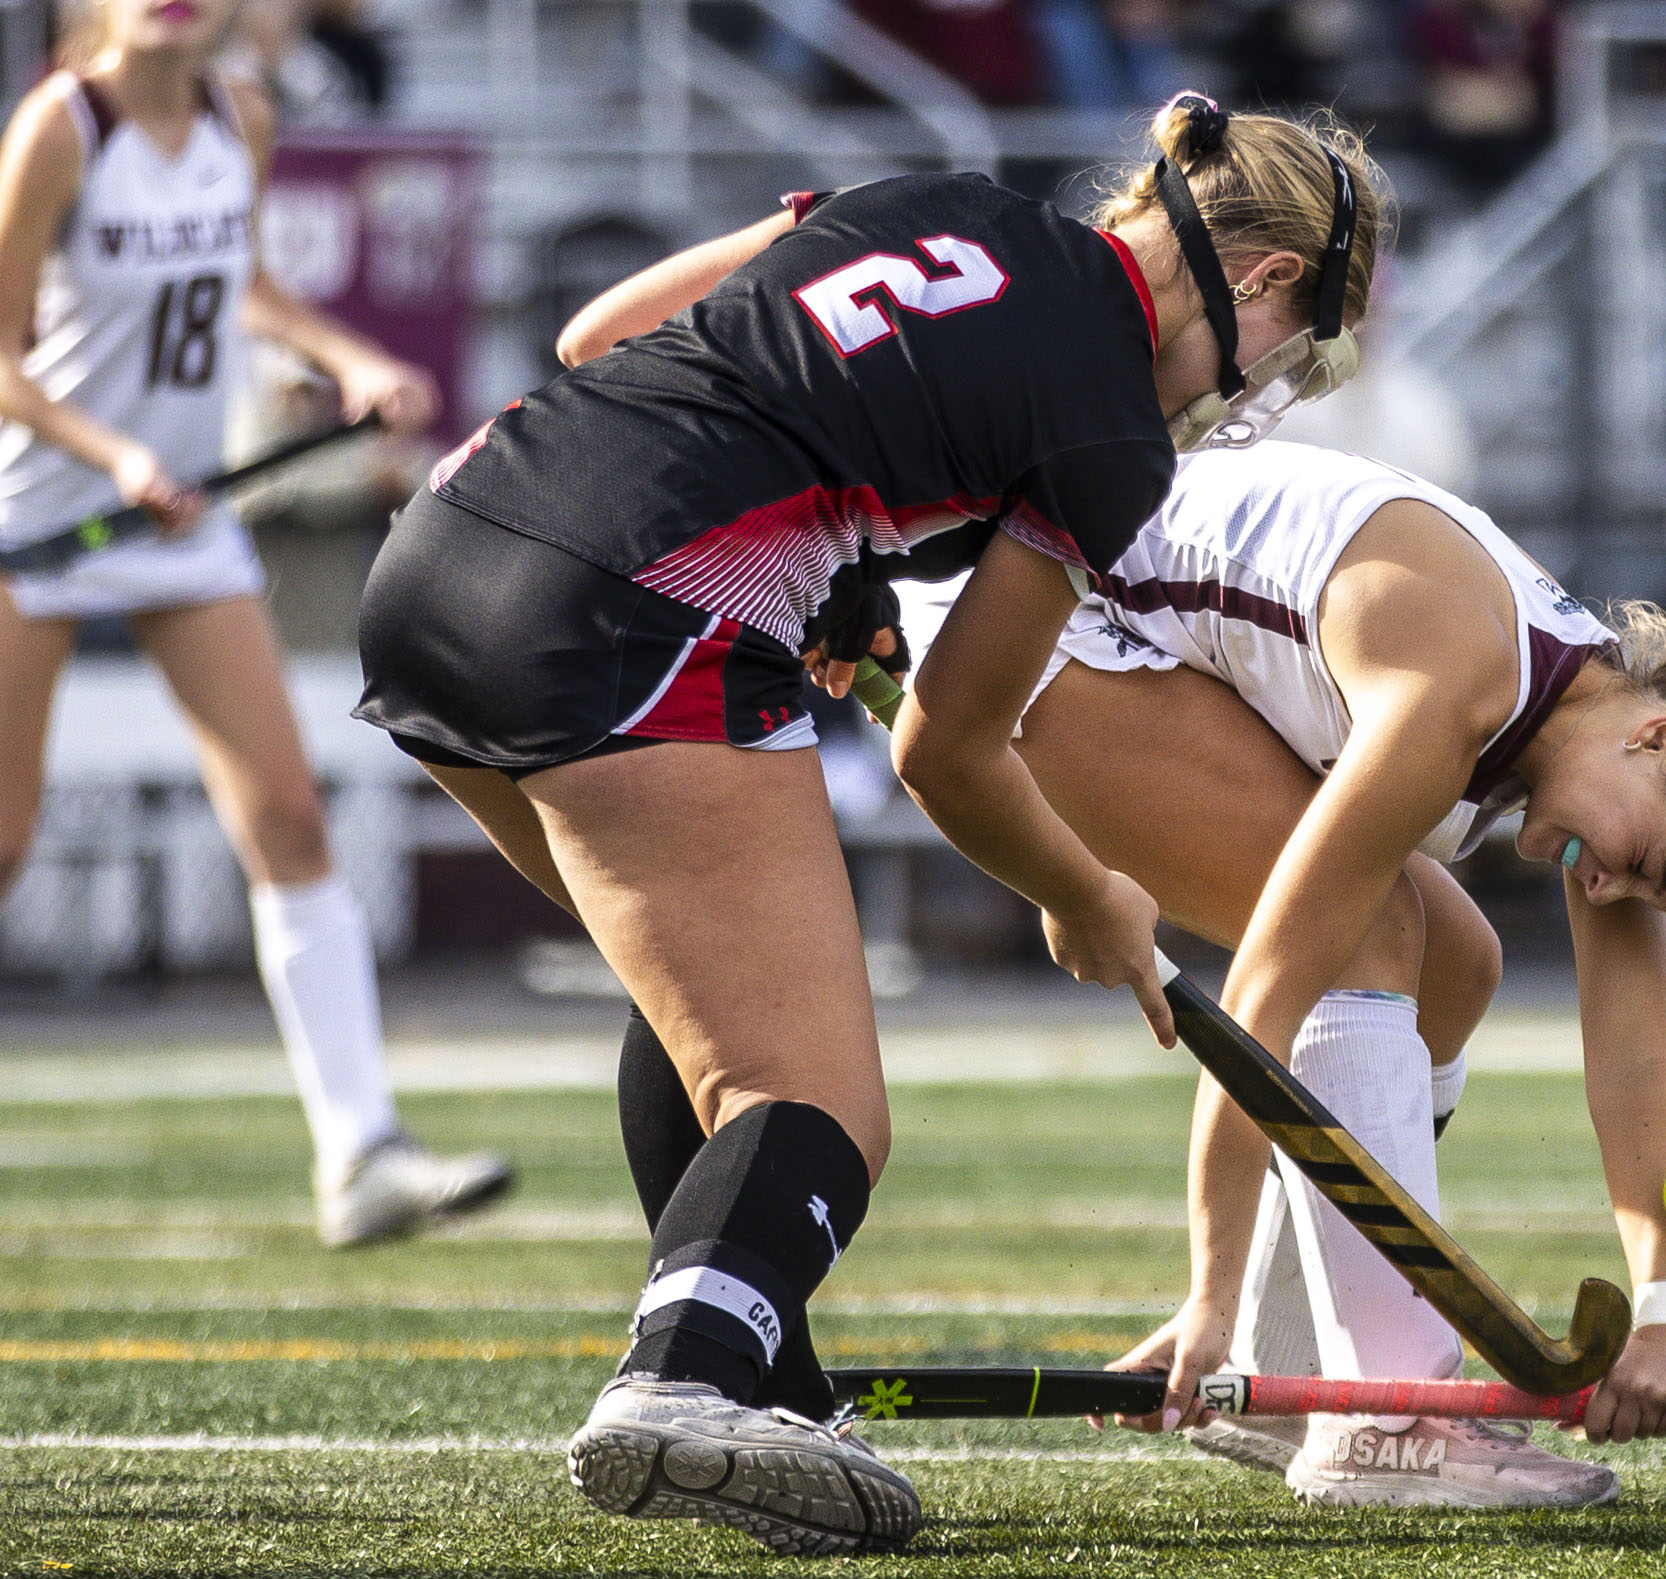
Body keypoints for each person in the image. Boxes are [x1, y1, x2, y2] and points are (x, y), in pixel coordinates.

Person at [353, 94, 1389, 1555]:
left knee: (715, 1013)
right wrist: (1092, 893)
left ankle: (765, 1384)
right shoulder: (1108, 423)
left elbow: (602, 338)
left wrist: (837, 557)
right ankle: (685, 1378)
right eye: (1301, 350)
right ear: (1268, 278)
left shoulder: (927, 194)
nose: (1271, 380)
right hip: (634, 600)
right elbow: (953, 749)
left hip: (446, 547)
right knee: (819, 1098)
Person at [897, 440, 1666, 1507]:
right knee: (1370, 934)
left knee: (1457, 969)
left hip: (1104, 621)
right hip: (1018, 624)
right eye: (1643, 867)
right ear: (1662, 736)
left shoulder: (1588, 718)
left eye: (1648, 895)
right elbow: (1263, 1006)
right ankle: (1387, 1415)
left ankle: (1298, 1365)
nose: (1608, 893)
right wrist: (1208, 1294)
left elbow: (1634, 1060)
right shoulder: (1457, 688)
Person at [0, 0, 510, 1247]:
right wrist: (113, 453)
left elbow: (245, 284)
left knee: (286, 813)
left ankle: (361, 1152)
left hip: (180, 532)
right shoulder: (59, 127)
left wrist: (350, 357)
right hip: (40, 529)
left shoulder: (243, 113)